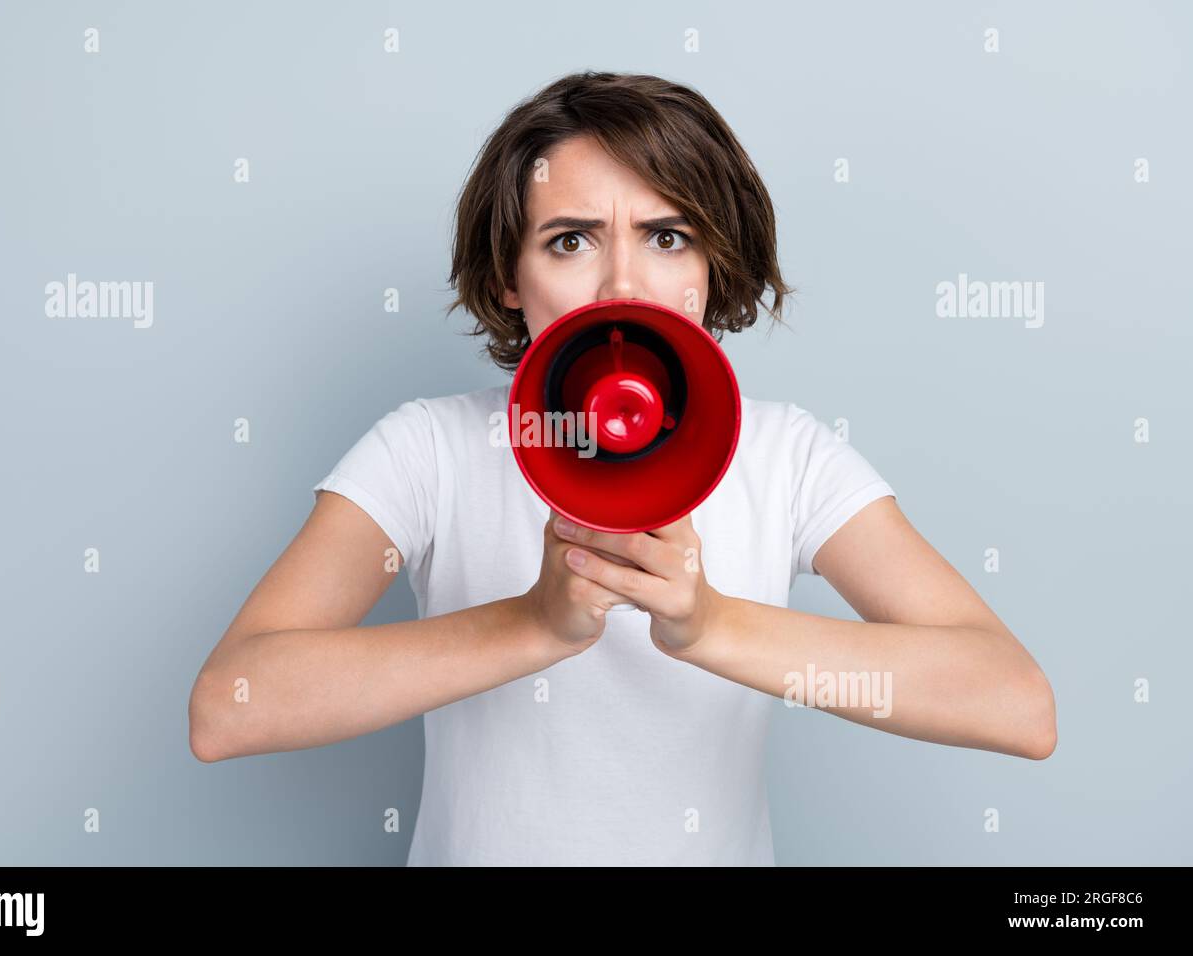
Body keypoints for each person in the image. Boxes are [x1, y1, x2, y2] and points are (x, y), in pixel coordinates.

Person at [188, 71, 1057, 866]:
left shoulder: (787, 457)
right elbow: (230, 708)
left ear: (715, 270)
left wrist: (709, 624)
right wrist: (534, 624)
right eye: (570, 242)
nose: (621, 286)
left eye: (667, 236)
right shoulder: (429, 452)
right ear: (508, 280)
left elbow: (1015, 704)